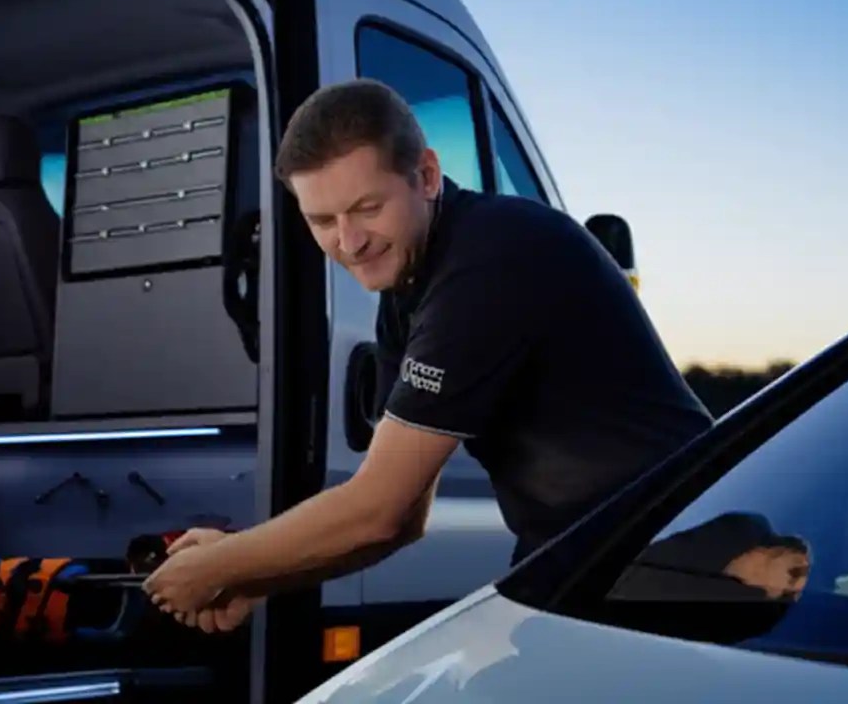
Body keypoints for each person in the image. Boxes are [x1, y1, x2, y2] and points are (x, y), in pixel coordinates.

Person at [142, 78, 714, 633]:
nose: (348, 241)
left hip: (685, 565)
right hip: (587, 567)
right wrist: (250, 578)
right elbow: (402, 522)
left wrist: (221, 565)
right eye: (322, 220)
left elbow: (378, 509)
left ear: (428, 176)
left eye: (367, 207)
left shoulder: (492, 257)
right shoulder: (406, 293)